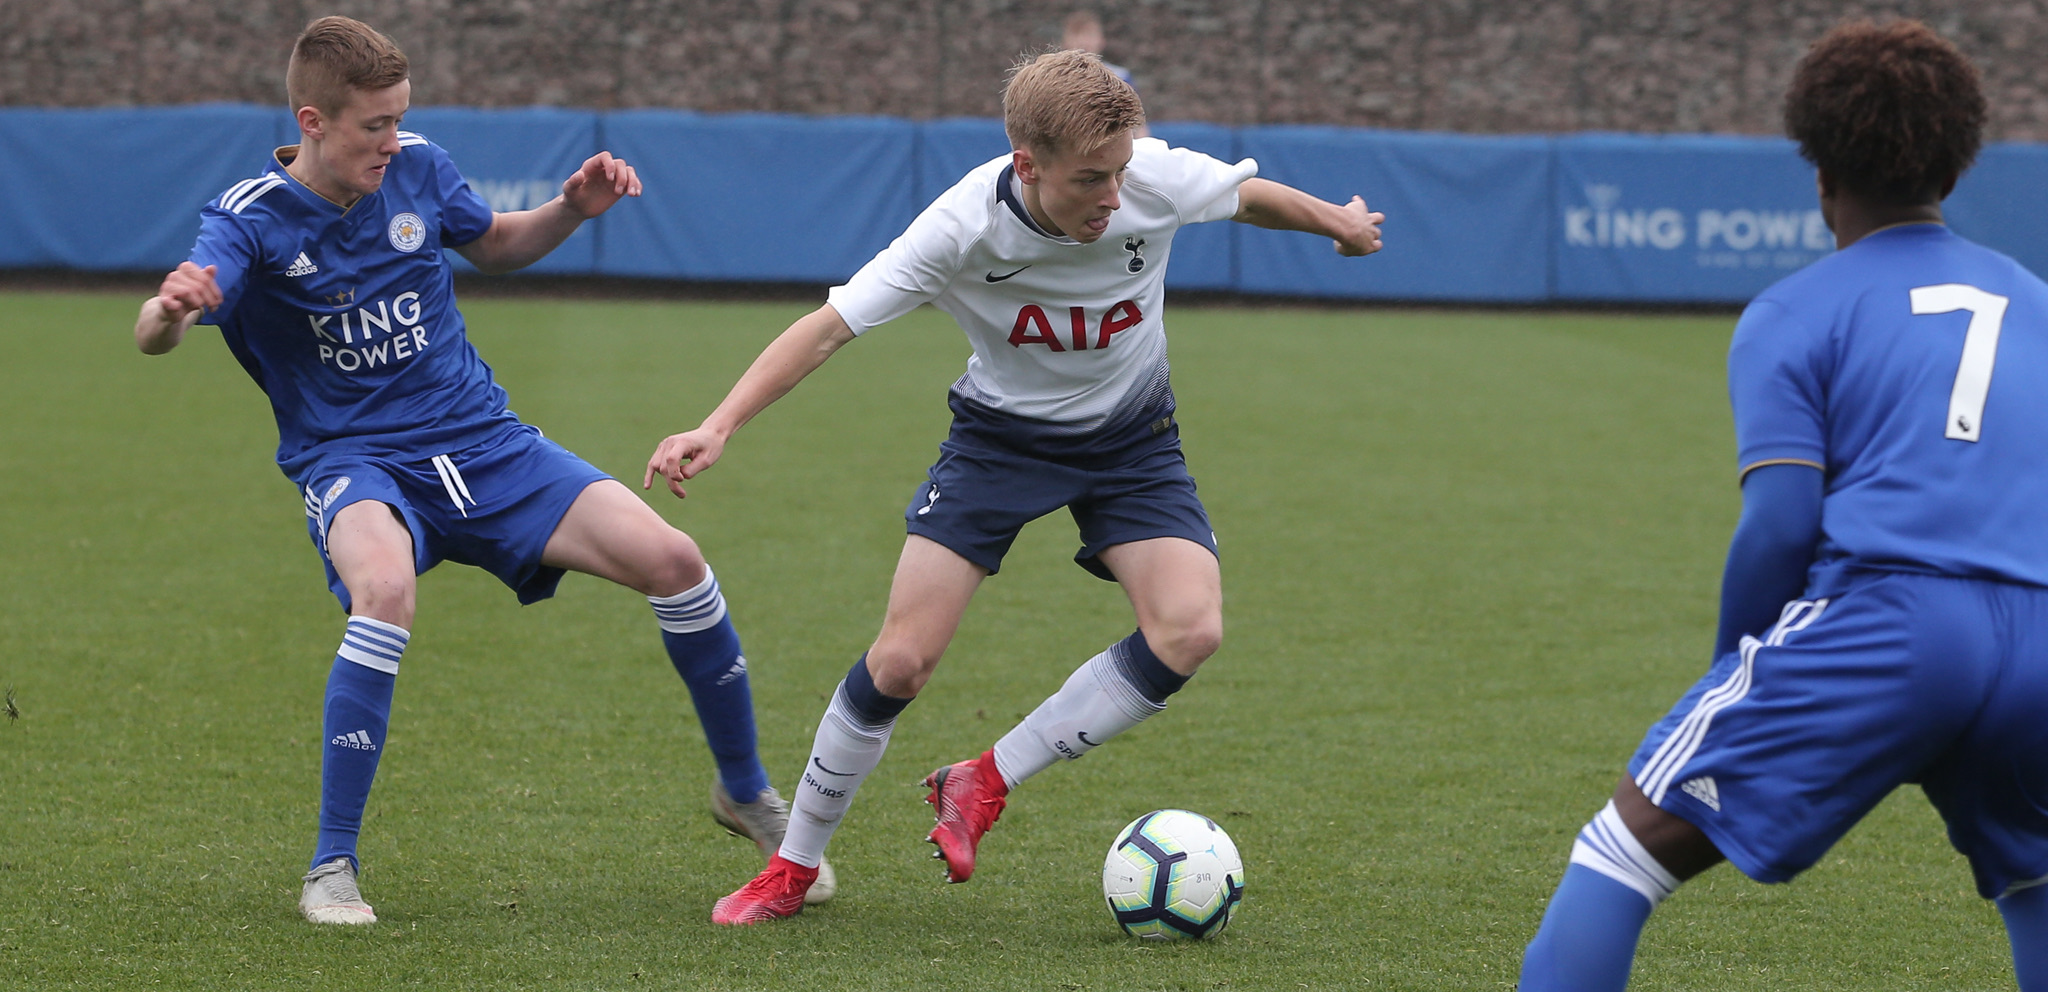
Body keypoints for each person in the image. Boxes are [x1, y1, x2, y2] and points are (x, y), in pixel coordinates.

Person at [645, 49, 1383, 924]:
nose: (1113, 198)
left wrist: (1335, 221)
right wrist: (718, 424)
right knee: (902, 661)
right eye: (1089, 181)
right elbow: (829, 327)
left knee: (1190, 629)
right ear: (1026, 166)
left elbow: (1246, 195)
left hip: (1131, 440)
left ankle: (985, 779)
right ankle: (792, 868)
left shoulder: (1150, 177)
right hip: (998, 444)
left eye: (1120, 174)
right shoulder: (959, 227)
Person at [134, 15, 831, 926]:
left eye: (399, 119)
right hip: (353, 459)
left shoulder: (417, 164)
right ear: (312, 120)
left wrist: (573, 209)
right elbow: (160, 330)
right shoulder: (249, 216)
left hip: (483, 442)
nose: (393, 140)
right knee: (382, 589)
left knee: (677, 562)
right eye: (372, 126)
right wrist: (171, 311)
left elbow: (495, 243)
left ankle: (744, 792)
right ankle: (331, 866)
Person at [1516, 20, 2048, 991]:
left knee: (1619, 850)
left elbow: (1778, 524)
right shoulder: (2035, 301)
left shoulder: (1793, 311)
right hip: (2038, 630)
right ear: (1955, 166)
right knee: (2037, 878)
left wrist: (1732, 661)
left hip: (1889, 622)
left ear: (1816, 170)